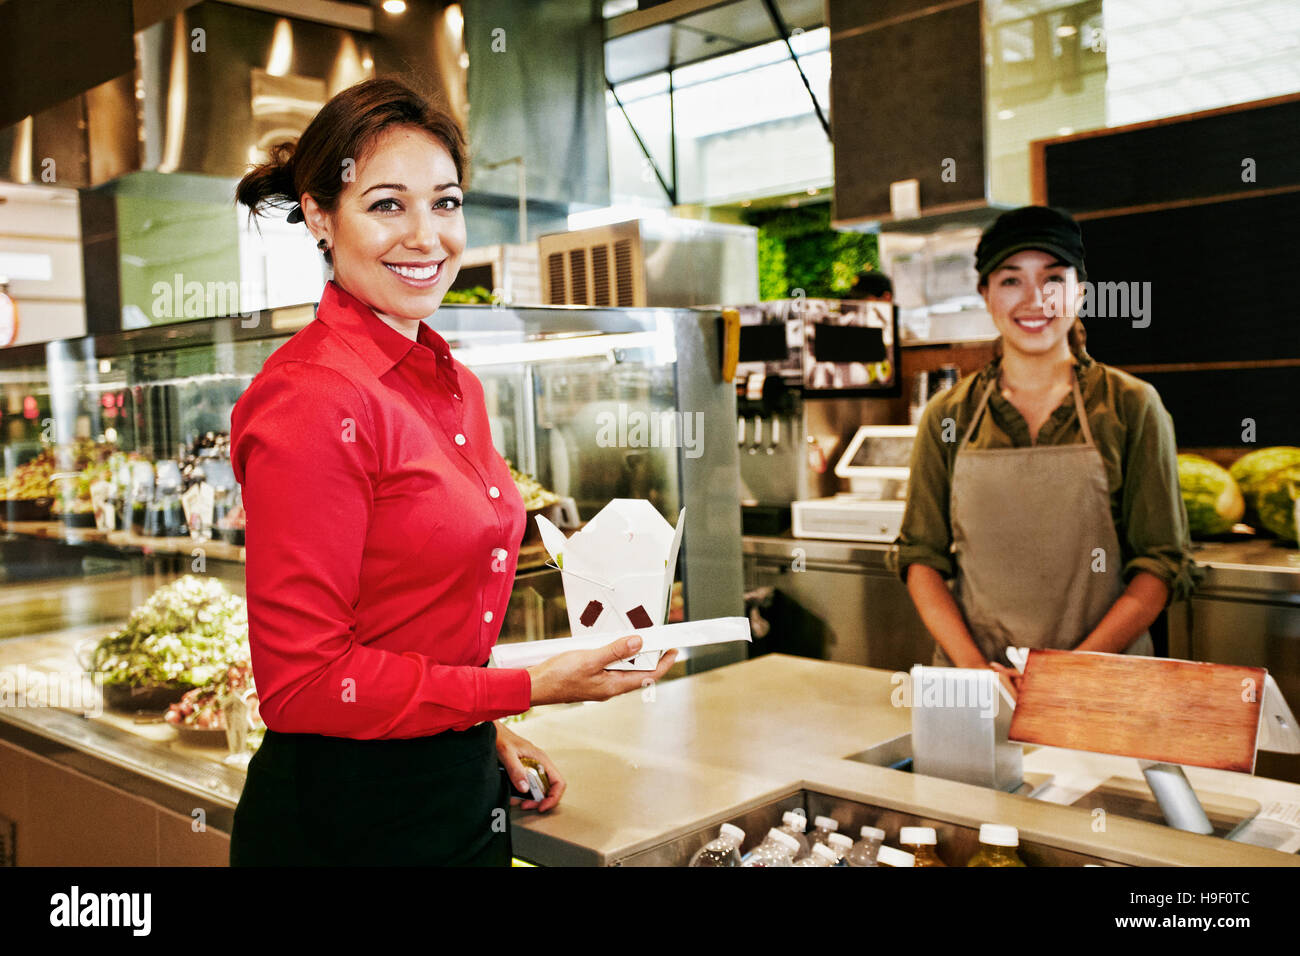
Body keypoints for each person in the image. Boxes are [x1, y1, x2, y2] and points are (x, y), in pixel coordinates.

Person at [227, 76, 676, 866]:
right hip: (344, 821)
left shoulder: (453, 383)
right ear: (322, 216)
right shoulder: (310, 398)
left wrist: (480, 728)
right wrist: (528, 686)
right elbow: (303, 685)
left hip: (456, 791)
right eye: (387, 204)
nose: (427, 236)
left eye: (446, 202)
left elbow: (413, 628)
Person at [895, 206, 1200, 699]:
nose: (1035, 299)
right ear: (986, 295)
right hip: (978, 690)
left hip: (1103, 685)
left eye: (1053, 279)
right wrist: (974, 669)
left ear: (1080, 291)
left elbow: (1161, 562)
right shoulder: (947, 415)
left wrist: (1070, 672)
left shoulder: (1131, 406)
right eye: (1011, 280)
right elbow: (920, 558)